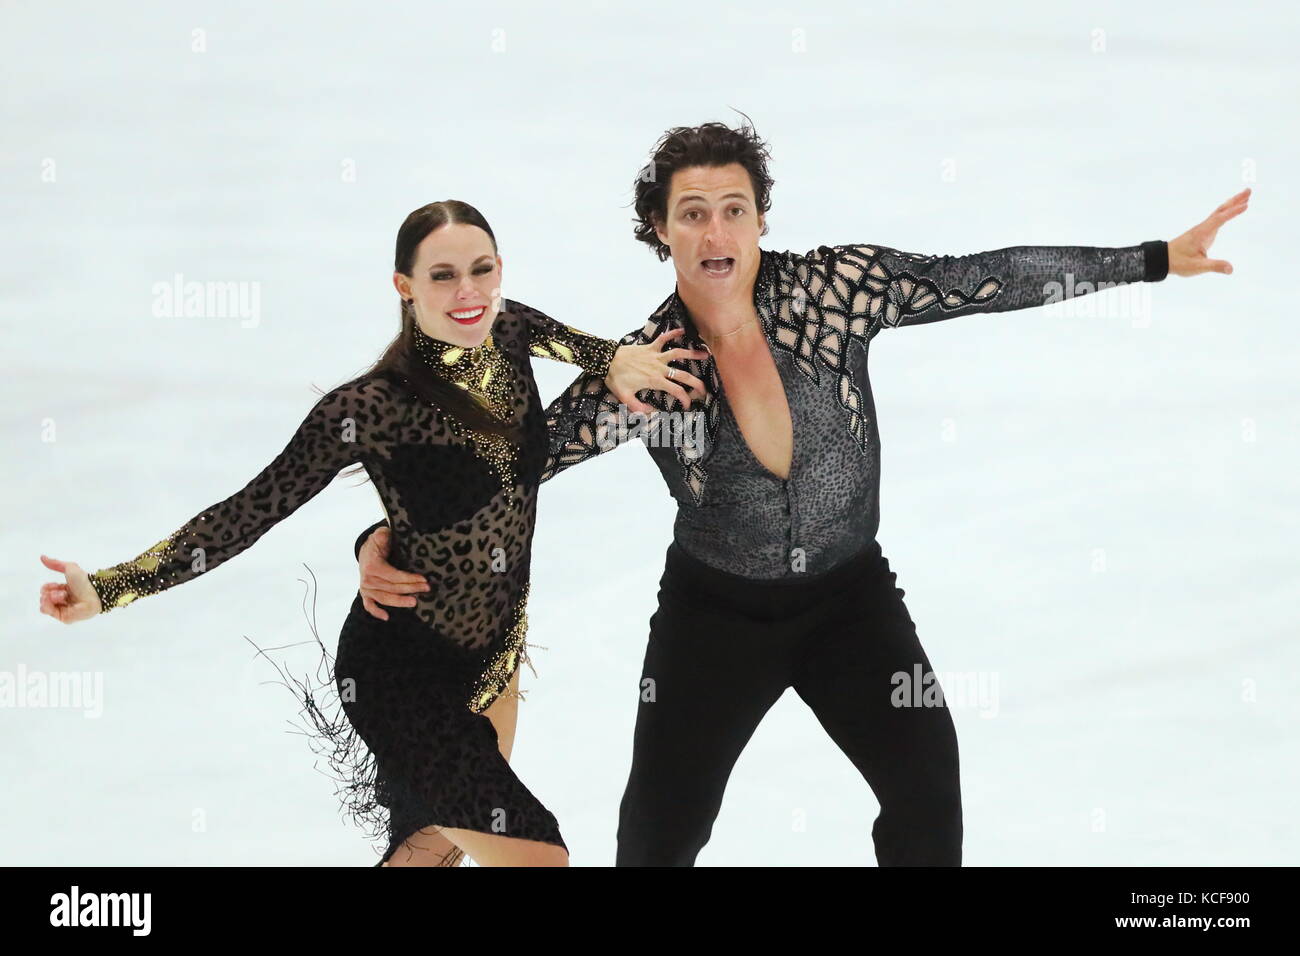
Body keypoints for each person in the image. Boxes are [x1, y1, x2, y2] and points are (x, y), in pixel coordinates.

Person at [354, 121, 1250, 866]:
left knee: (928, 794)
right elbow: (513, 472)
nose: (716, 234)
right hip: (713, 621)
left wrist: (1155, 259)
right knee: (656, 838)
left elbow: (980, 278)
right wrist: (380, 535)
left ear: (759, 220)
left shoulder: (835, 291)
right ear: (660, 230)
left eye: (733, 211)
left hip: (851, 603)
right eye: (692, 215)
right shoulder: (647, 368)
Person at [36, 199, 705, 867]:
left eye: (481, 270)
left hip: (495, 658)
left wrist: (614, 360)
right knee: (536, 856)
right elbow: (246, 512)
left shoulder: (511, 330)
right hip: (400, 670)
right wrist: (109, 587)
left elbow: (582, 358)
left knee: (427, 857)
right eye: (443, 276)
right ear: (404, 286)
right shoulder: (369, 408)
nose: (467, 292)